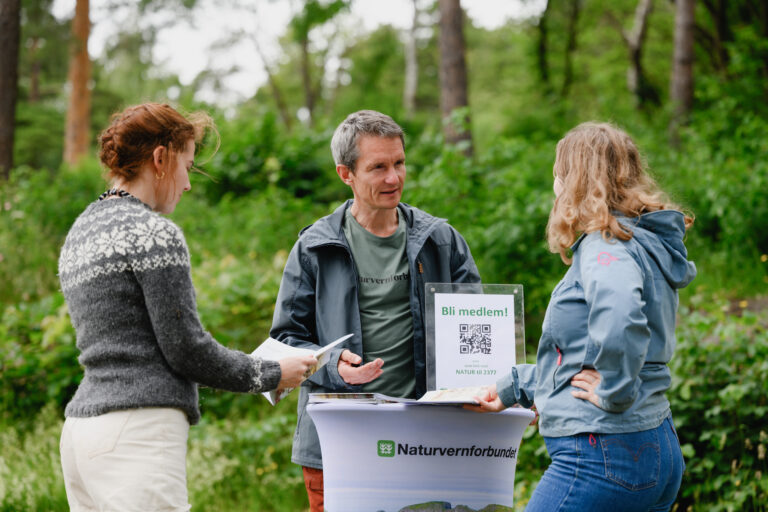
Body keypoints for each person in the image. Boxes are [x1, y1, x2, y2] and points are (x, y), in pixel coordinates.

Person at [57, 102, 316, 511]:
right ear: (161, 158)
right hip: (138, 433)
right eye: (188, 166)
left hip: (81, 435)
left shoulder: (81, 231)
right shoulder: (154, 234)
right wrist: (272, 374)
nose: (189, 184)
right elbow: (186, 349)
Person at [467, 122, 696, 512]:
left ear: (572, 181)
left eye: (558, 174)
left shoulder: (605, 245)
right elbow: (583, 357)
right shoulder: (643, 243)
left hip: (602, 454)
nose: (554, 185)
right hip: (656, 446)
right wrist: (515, 387)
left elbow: (621, 318)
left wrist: (613, 391)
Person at [270, 109, 481, 511]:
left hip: (426, 441)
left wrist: (496, 389)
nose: (393, 178)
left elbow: (476, 333)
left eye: (399, 163)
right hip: (339, 441)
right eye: (378, 167)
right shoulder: (314, 248)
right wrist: (335, 366)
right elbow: (286, 340)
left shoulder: (441, 240)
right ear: (345, 174)